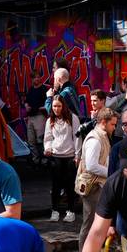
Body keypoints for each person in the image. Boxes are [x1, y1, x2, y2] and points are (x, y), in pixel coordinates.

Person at [76, 107, 116, 243]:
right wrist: (112, 172)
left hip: (97, 185)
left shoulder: (102, 136)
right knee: (89, 224)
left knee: (95, 223)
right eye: (113, 124)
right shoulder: (95, 139)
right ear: (103, 122)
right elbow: (91, 166)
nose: (114, 128)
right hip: (92, 187)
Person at [44, 95, 80, 223]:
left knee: (70, 185)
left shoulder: (72, 118)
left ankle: (71, 211)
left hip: (69, 156)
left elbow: (77, 137)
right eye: (54, 106)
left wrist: (77, 155)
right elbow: (48, 138)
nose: (56, 109)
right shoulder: (50, 121)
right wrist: (48, 148)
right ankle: (55, 210)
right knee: (55, 186)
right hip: (55, 157)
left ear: (63, 106)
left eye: (59, 106)